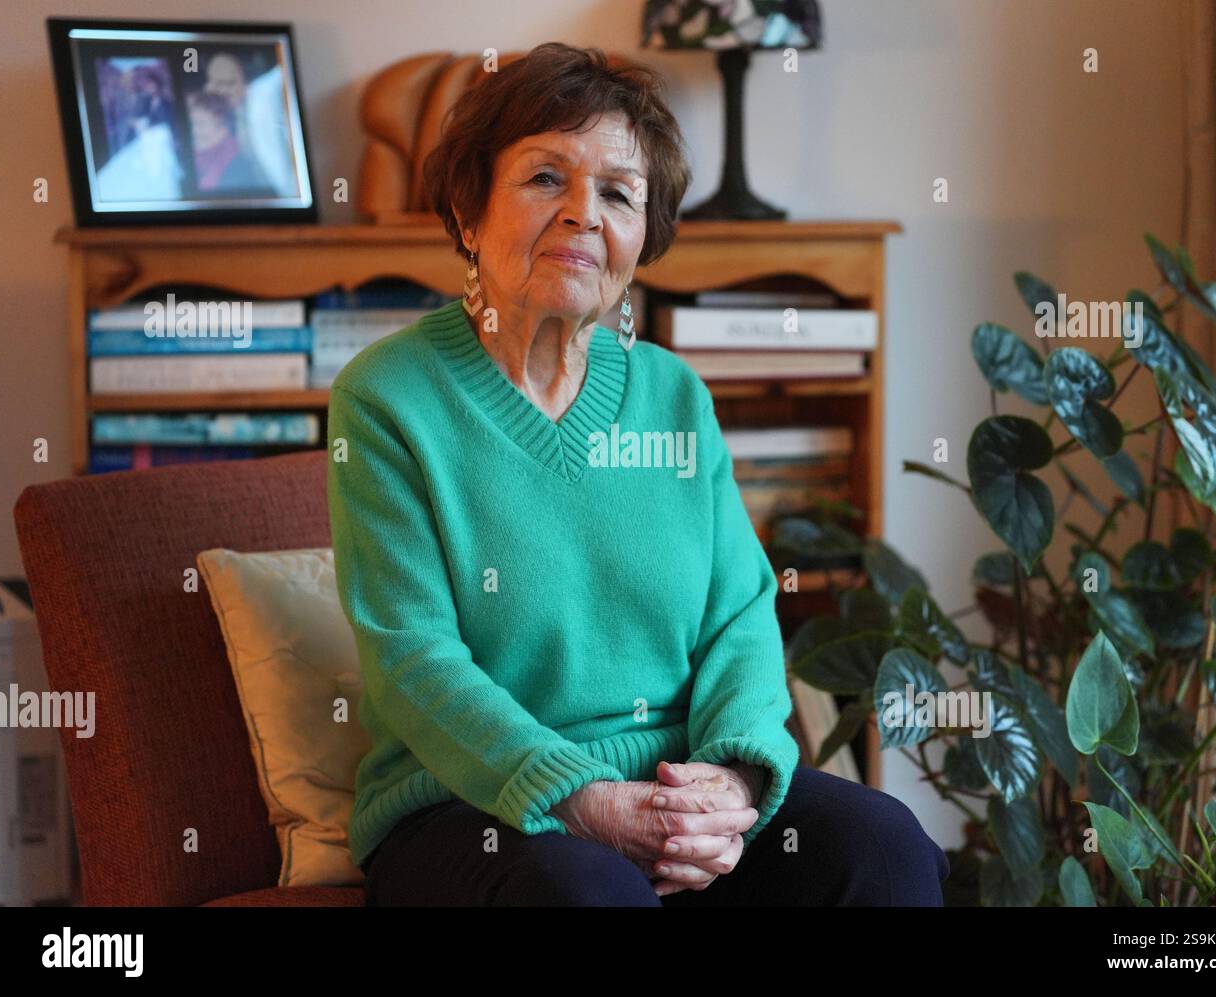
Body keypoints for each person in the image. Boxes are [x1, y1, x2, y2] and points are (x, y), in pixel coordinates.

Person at [326, 41, 949, 906]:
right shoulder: (389, 398)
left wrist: (727, 785)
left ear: (640, 241)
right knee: (589, 893)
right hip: (470, 804)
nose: (584, 214)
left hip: (678, 787)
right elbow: (412, 655)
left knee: (884, 846)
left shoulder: (674, 394)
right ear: (470, 210)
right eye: (546, 178)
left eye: (618, 193)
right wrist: (581, 799)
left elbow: (740, 612)